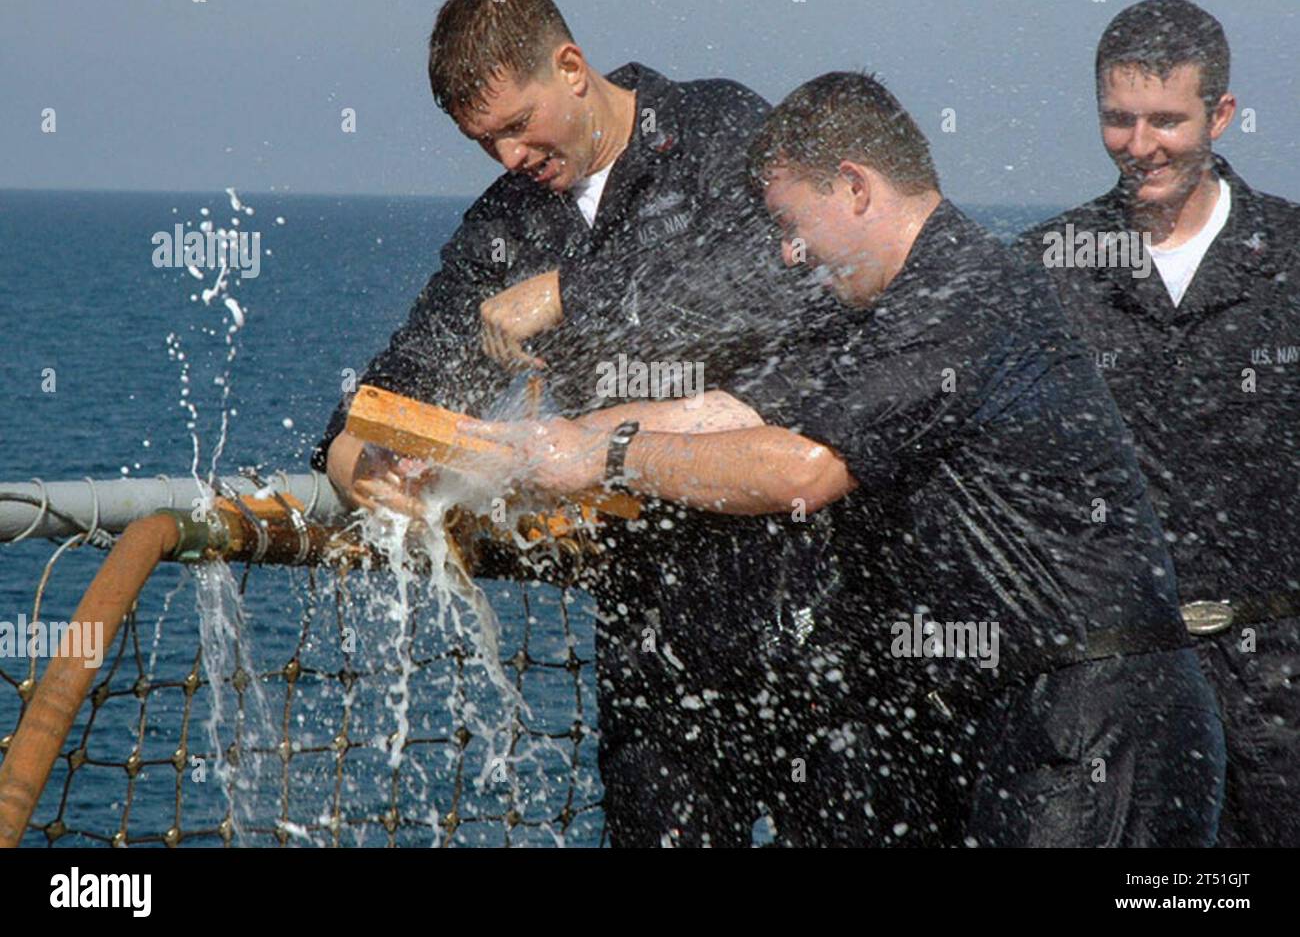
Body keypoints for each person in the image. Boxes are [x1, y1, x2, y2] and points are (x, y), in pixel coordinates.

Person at [472, 72, 1228, 847]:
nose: (790, 254)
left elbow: (804, 469)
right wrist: (547, 443)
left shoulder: (961, 296)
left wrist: (611, 456)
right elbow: (731, 415)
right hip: (1034, 716)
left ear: (856, 187)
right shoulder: (889, 313)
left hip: (1099, 720)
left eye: (791, 222)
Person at [312, 0, 818, 846]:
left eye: (517, 125)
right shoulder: (505, 225)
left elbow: (779, 271)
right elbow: (405, 378)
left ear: (572, 68)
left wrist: (571, 292)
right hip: (654, 629)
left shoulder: (719, 128)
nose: (508, 157)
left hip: (813, 591)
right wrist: (351, 453)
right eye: (484, 142)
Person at [1020, 0, 1300, 847]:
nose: (1139, 146)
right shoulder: (1042, 269)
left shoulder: (1292, 259)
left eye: (1166, 121)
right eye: (1118, 119)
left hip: (1284, 685)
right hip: (1109, 688)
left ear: (1221, 113)